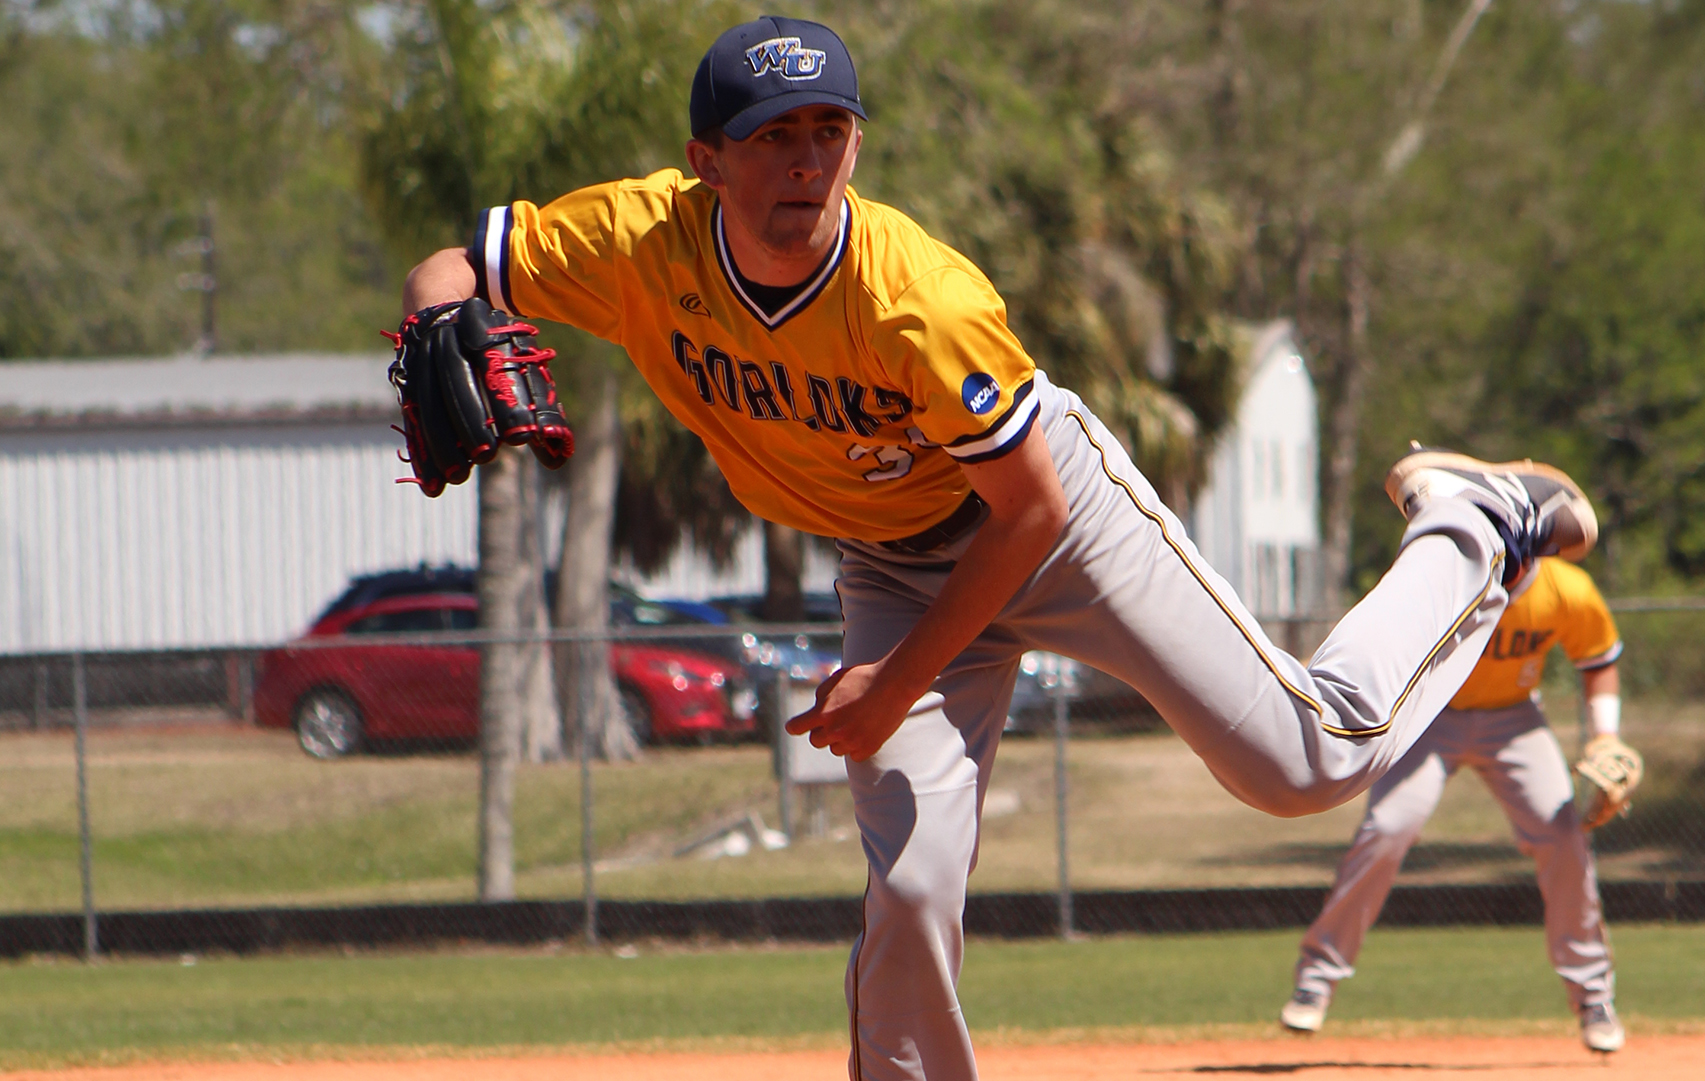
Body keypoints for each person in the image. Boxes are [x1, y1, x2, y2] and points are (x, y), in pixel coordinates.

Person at [397, 16, 1598, 1080]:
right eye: (770, 136)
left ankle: (1470, 520)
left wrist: (895, 682)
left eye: (829, 128)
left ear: (857, 146)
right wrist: (440, 312)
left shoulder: (917, 296)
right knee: (912, 886)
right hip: (891, 554)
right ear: (706, 161)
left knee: (1304, 762)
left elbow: (1029, 515)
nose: (806, 160)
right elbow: (460, 259)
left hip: (1058, 526)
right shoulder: (639, 239)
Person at [1278, 554, 1632, 1053]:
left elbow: (1598, 660)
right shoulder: (1440, 580)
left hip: (1514, 719)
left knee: (1564, 837)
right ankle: (1316, 978)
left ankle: (1594, 995)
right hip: (1429, 716)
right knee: (1387, 829)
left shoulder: (1565, 589)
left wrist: (1605, 737)